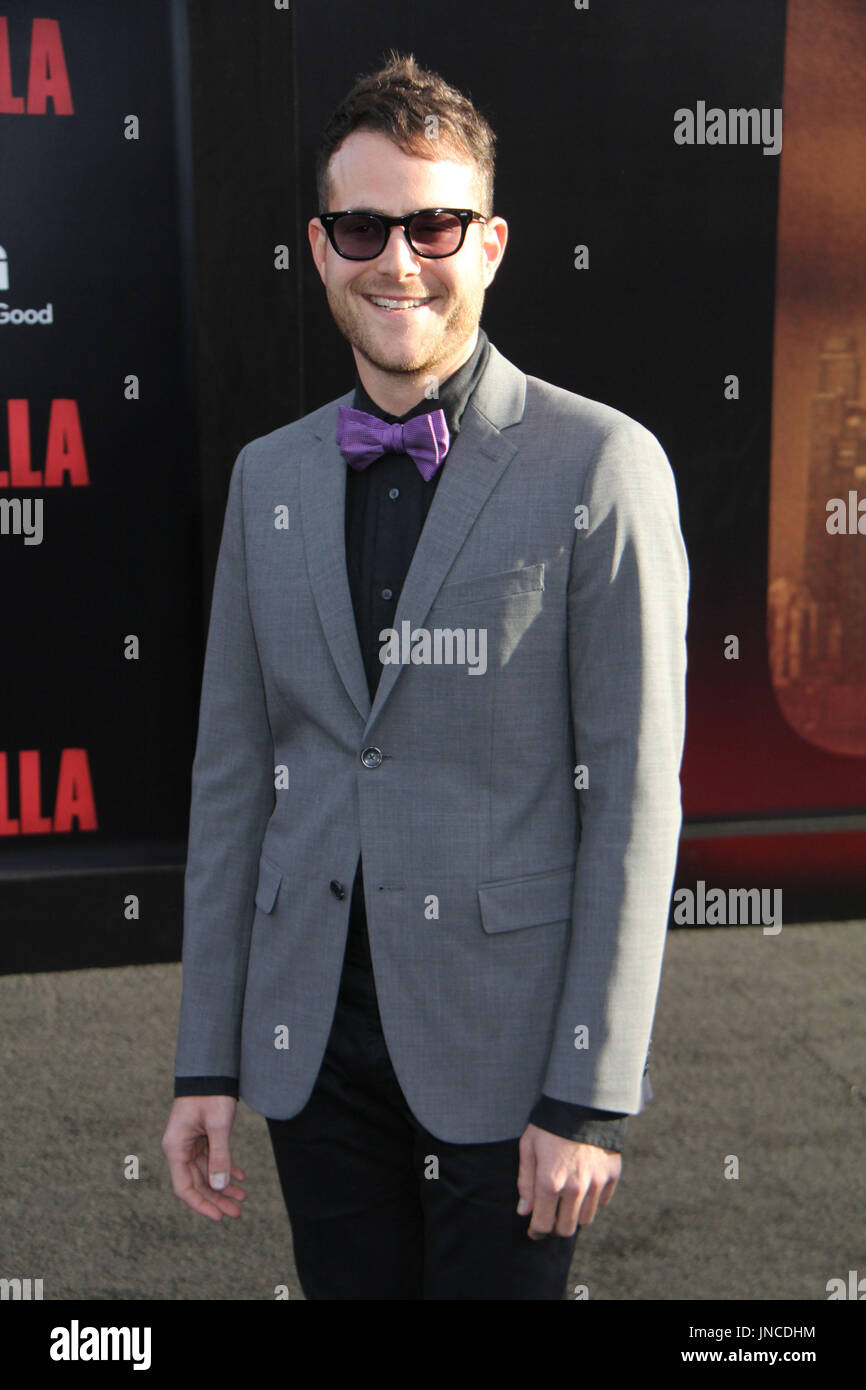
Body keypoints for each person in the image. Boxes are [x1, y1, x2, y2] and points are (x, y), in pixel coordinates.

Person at [162, 51, 689, 1301]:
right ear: (318, 245)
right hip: (312, 1045)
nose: (397, 258)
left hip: (504, 1051)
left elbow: (631, 797)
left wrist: (589, 1091)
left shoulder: (601, 464)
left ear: (490, 242)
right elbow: (235, 782)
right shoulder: (266, 479)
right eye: (363, 225)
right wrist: (206, 1061)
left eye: (433, 222)